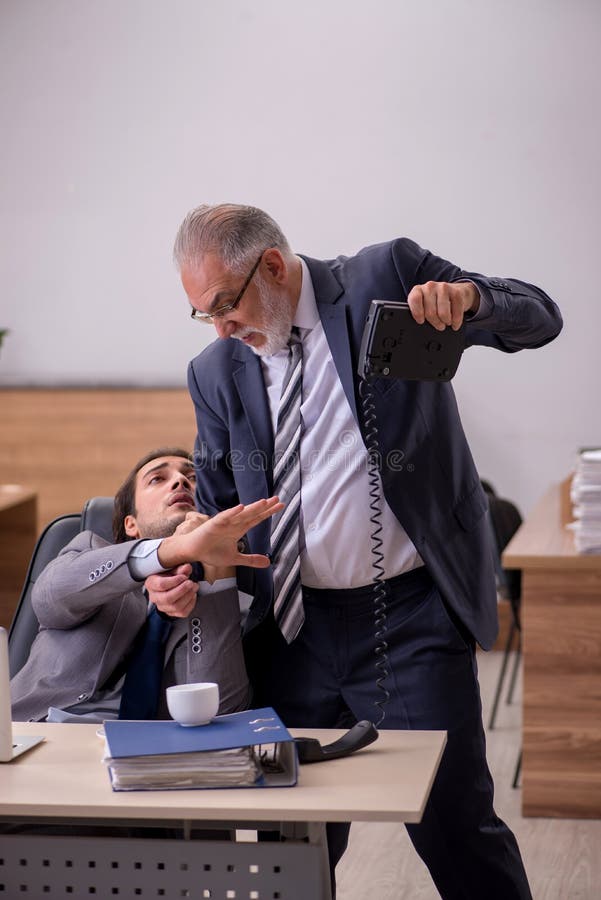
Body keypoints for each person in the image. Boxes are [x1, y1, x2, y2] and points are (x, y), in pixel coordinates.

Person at [172, 203, 562, 900]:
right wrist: (191, 565)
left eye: (224, 306)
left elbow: (538, 316)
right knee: (292, 842)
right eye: (203, 314)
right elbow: (216, 503)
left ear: (270, 265)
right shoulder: (213, 370)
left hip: (407, 619)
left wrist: (470, 299)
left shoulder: (386, 275)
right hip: (291, 632)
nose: (221, 327)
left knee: (456, 824)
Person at [11, 447, 282, 723]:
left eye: (192, 477)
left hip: (148, 758)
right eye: (157, 479)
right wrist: (171, 550)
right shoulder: (88, 551)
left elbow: (223, 711)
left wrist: (218, 569)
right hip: (39, 735)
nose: (181, 481)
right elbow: (49, 597)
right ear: (131, 524)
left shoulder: (234, 605)